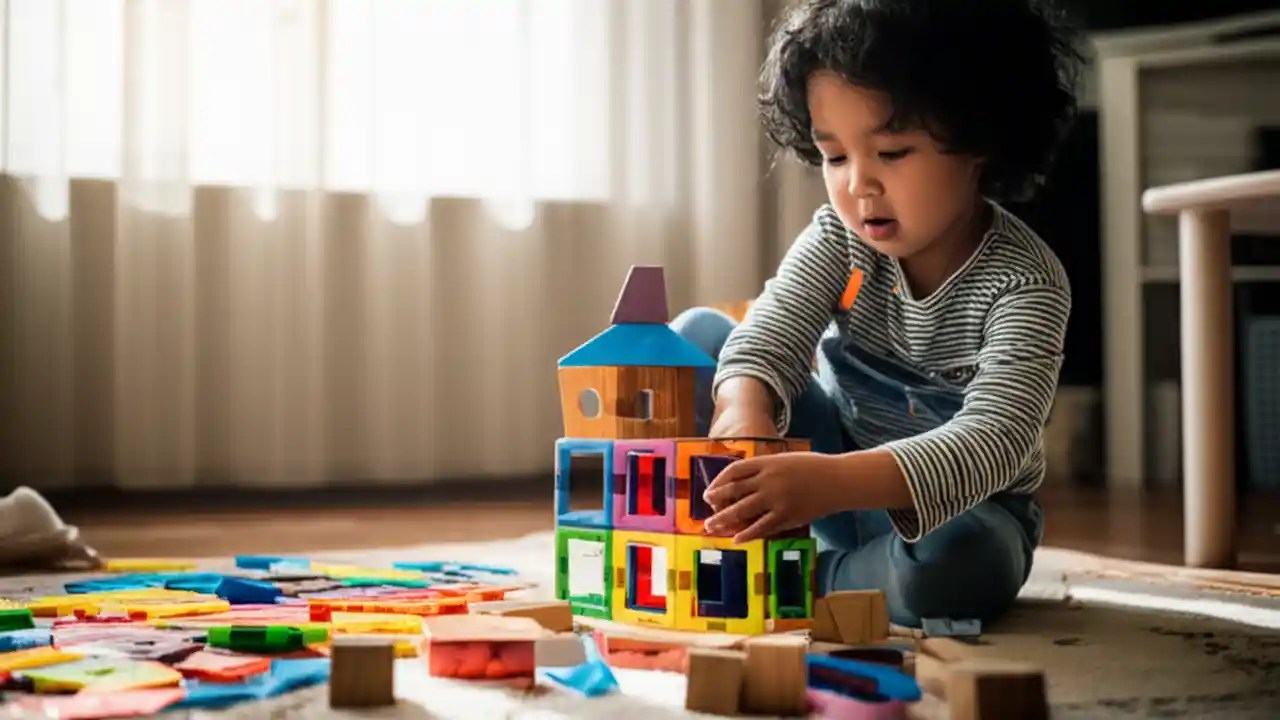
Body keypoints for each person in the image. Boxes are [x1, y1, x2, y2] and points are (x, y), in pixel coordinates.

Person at [670, 0, 1083, 627]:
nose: (859, 185)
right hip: (825, 469)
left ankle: (809, 578)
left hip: (957, 510)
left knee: (962, 564)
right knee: (695, 337)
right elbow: (773, 329)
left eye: (891, 153)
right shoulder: (842, 234)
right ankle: (771, 547)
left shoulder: (1025, 282)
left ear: (978, 140)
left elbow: (996, 442)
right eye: (835, 156)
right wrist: (743, 409)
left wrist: (830, 483)